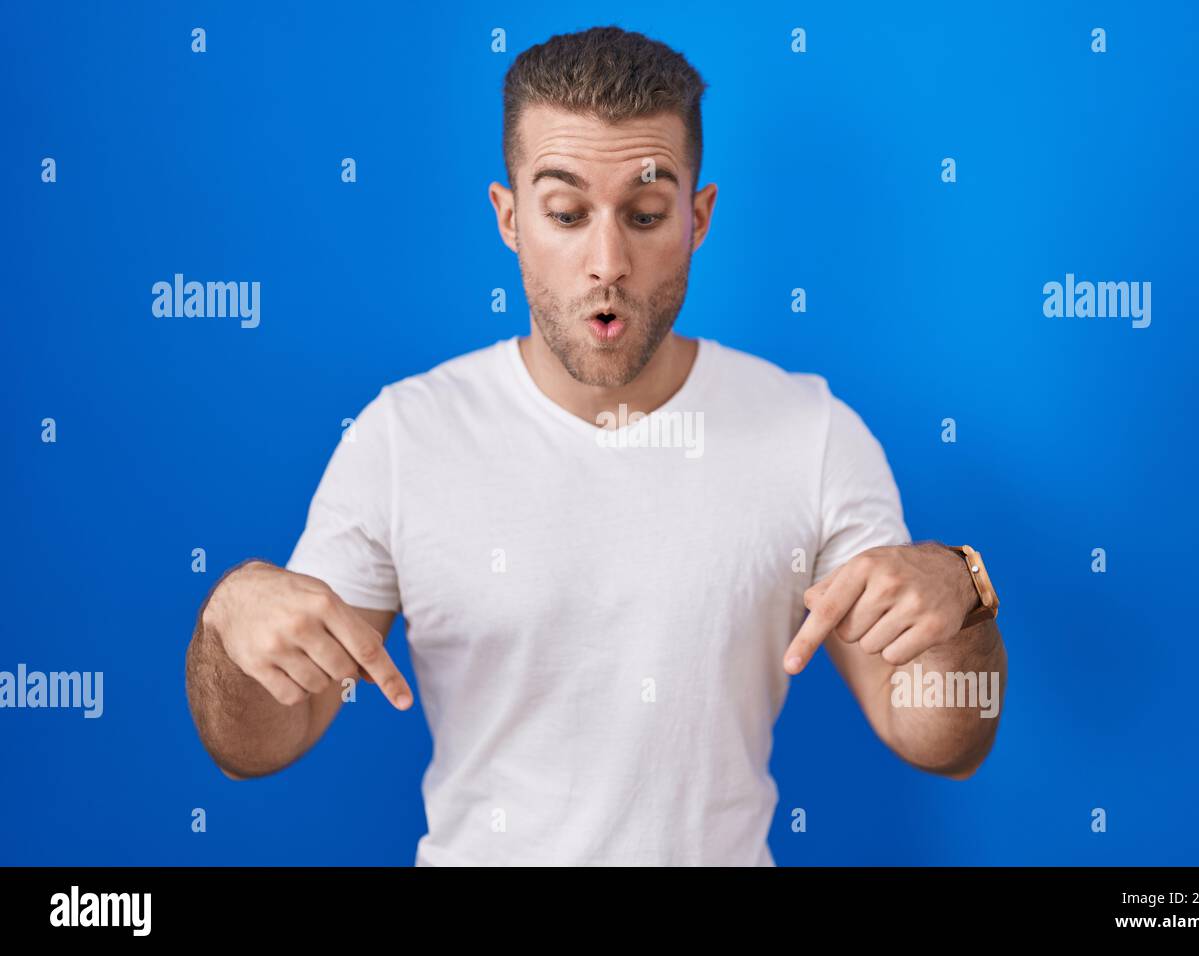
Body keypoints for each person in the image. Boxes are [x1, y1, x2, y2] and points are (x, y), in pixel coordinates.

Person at [185, 24, 1006, 866]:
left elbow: (941, 739)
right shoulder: (405, 434)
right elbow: (255, 745)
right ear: (509, 217)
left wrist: (964, 589)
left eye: (647, 214)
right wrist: (227, 621)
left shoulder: (813, 433)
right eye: (567, 213)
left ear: (698, 217)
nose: (606, 261)